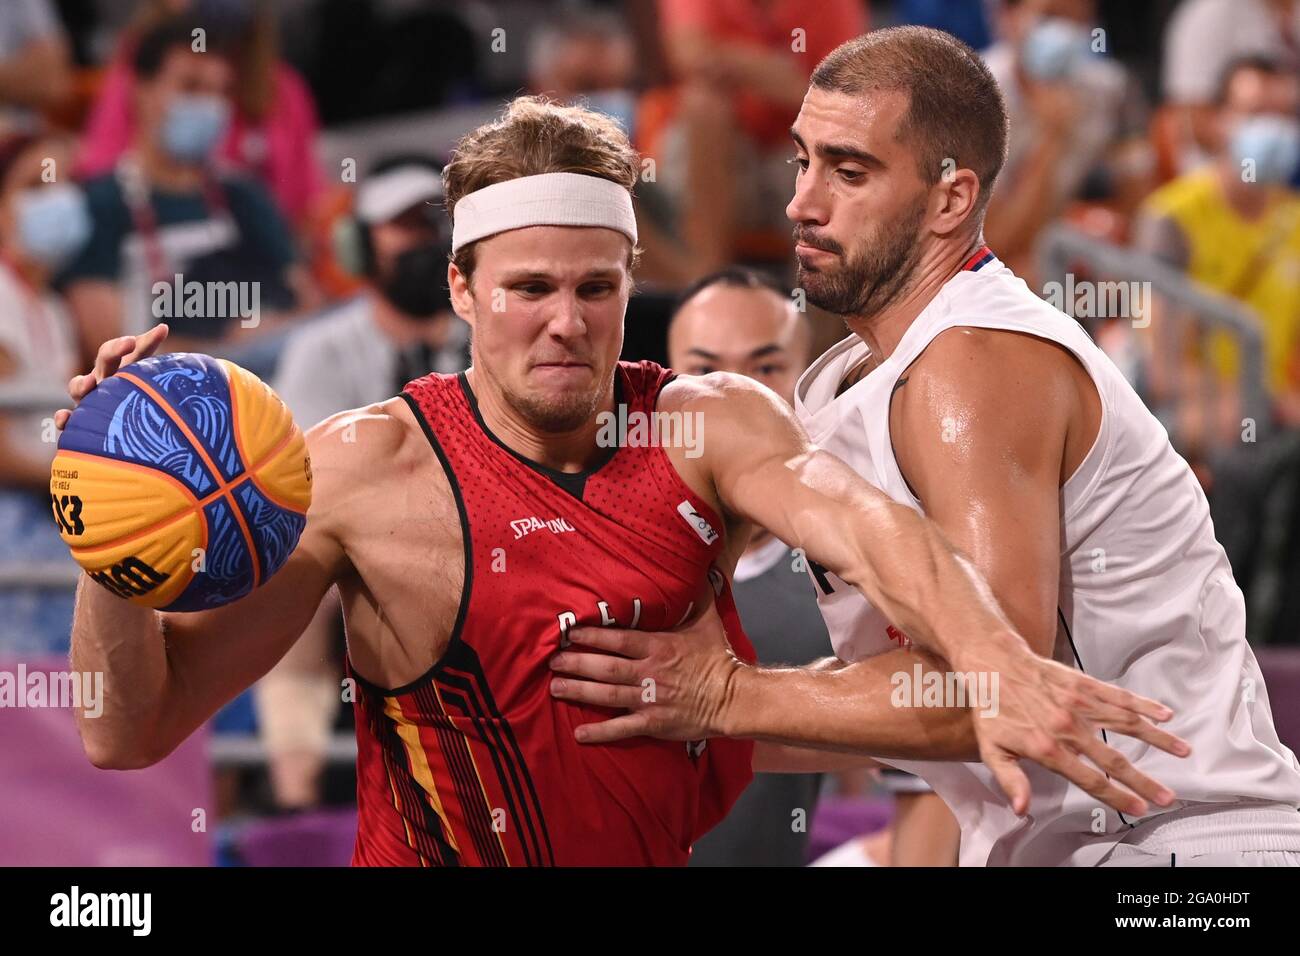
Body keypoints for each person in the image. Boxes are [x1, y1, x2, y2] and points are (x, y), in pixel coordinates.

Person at [65, 97, 1184, 867]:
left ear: (630, 281)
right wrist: (111, 529)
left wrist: (994, 658)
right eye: (529, 287)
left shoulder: (707, 423)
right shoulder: (367, 465)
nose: (565, 320)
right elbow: (130, 729)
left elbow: (866, 522)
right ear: (460, 287)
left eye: (596, 287)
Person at [548, 28, 1300, 867]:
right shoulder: (855, 378)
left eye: (850, 171)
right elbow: (910, 730)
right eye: (802, 161)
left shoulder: (973, 360)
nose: (803, 201)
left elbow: (993, 686)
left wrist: (726, 692)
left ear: (950, 199)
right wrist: (659, 711)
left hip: (1183, 851)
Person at [256, 154, 468, 810]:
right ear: (358, 244)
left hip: (477, 539)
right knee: (296, 583)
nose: (423, 242)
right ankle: (296, 798)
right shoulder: (324, 348)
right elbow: (304, 484)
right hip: (360, 545)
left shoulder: (490, 335)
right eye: (403, 226)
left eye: (435, 225)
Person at [1136, 55, 1300, 645]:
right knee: (1251, 443)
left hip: (1274, 413)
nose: (1276, 129)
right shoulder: (1173, 219)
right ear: (1217, 123)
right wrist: (1271, 403)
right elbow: (1166, 372)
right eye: (1258, 113)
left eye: (1288, 114)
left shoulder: (1296, 220)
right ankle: (1231, 629)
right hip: (1190, 412)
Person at [56, 13, 315, 370]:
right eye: (191, 87)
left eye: (221, 92)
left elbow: (309, 308)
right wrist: (228, 348)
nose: (209, 106)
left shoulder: (244, 195)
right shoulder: (100, 205)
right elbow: (113, 353)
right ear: (140, 91)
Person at [77, 0, 323, 227]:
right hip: (150, 234)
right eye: (191, 87)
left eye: (221, 91)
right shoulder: (139, 72)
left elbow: (307, 204)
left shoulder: (281, 90)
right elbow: (101, 174)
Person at [0, 132, 86, 654]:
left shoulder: (53, 311)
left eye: (66, 184)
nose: (56, 198)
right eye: (35, 186)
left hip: (49, 508)